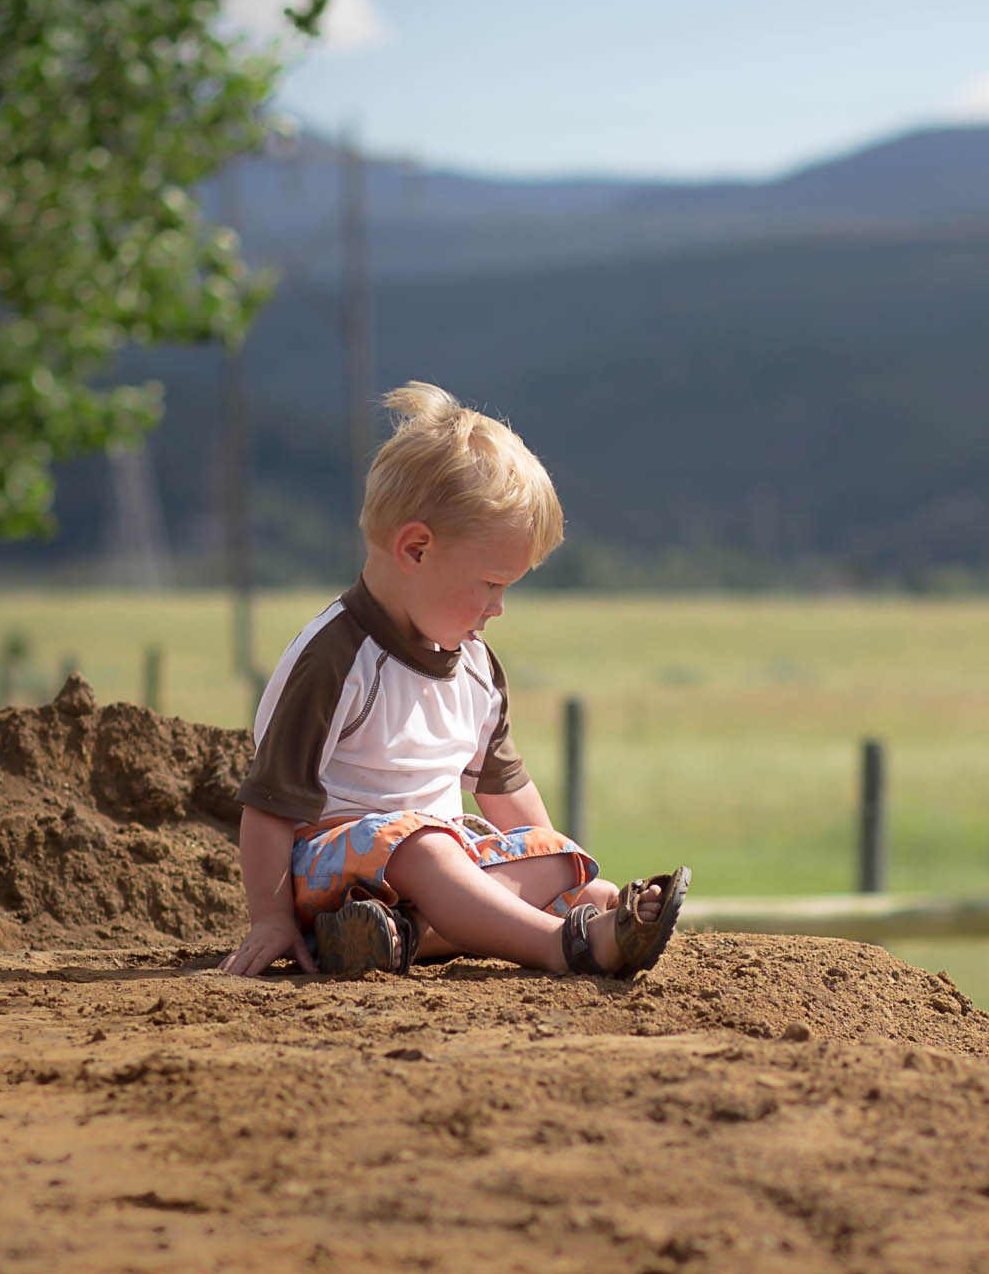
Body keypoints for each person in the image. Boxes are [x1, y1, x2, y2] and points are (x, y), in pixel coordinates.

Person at [219, 382, 686, 979]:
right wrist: (271, 919)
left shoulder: (478, 668)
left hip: (442, 865)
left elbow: (508, 796)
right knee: (426, 848)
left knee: (582, 878)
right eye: (491, 583)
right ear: (415, 549)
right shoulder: (335, 657)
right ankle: (559, 947)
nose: (498, 607)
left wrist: (556, 866)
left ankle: (401, 937)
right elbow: (267, 807)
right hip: (328, 872)